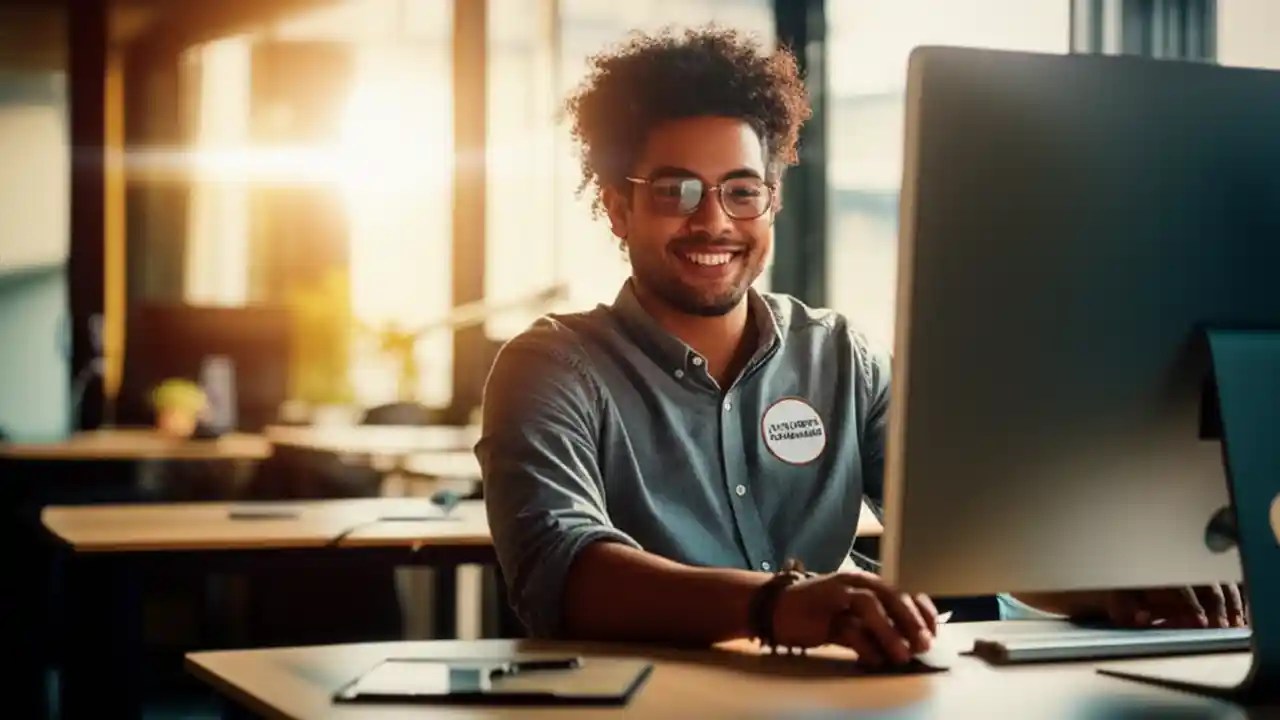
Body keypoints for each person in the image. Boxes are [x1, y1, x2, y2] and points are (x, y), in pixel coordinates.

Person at [477, 27, 1245, 669]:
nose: (713, 221)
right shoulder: (550, 367)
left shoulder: (838, 354)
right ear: (618, 208)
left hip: (839, 698)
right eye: (676, 191)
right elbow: (562, 572)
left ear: (772, 199)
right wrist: (779, 605)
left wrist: (1107, 588)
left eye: (742, 190)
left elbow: (966, 531)